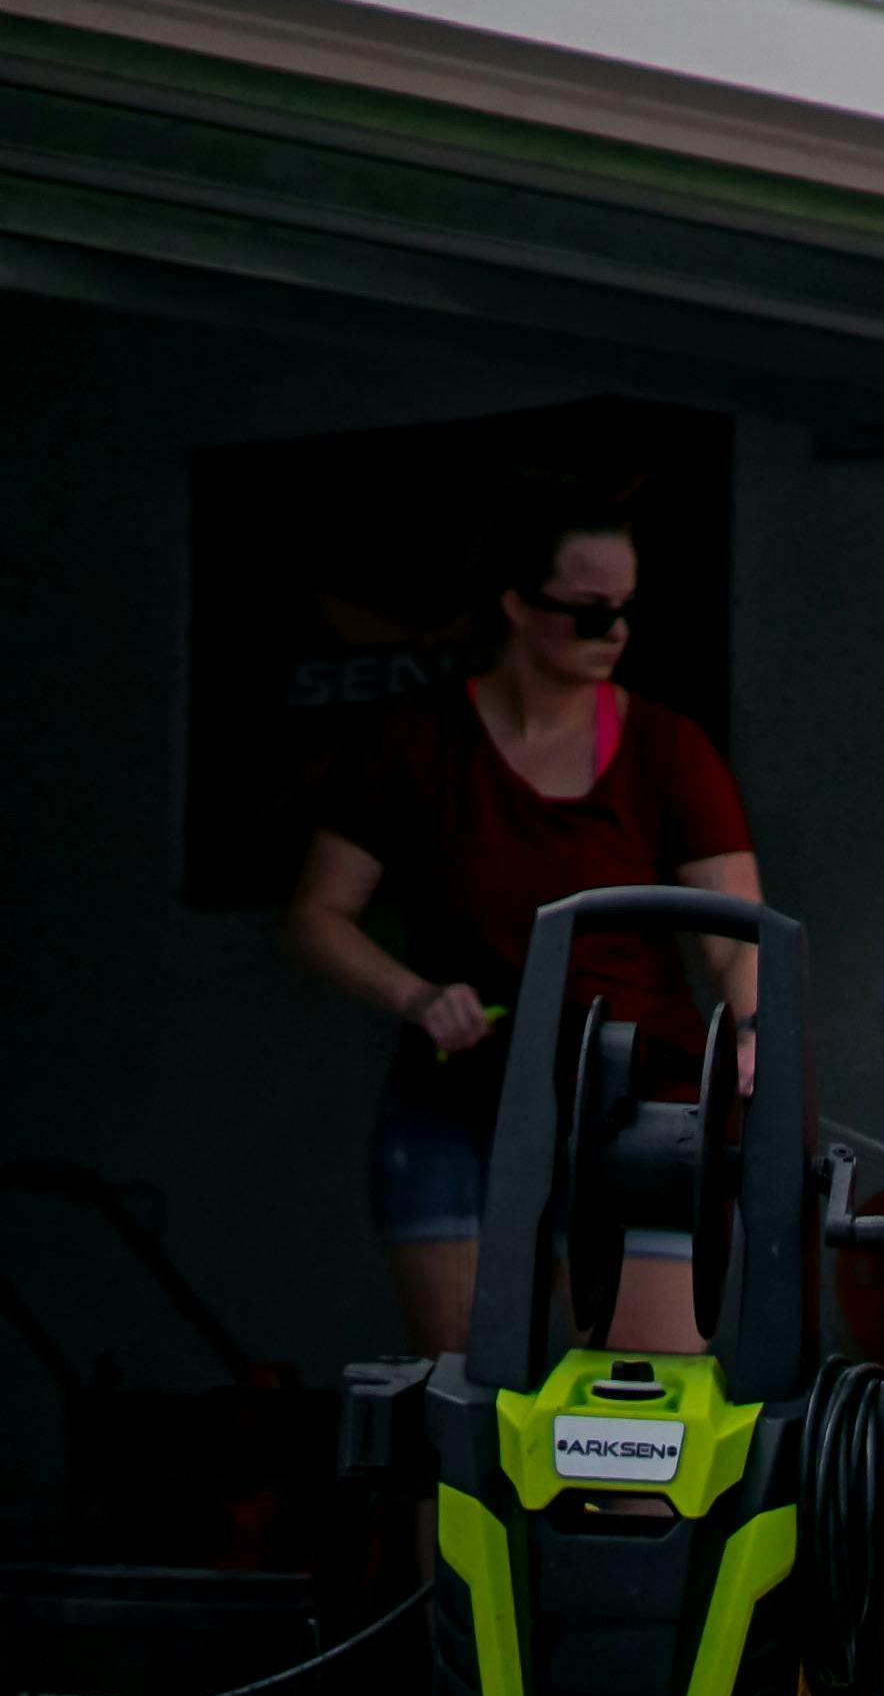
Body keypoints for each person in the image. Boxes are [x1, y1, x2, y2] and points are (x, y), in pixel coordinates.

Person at [279, 495, 759, 1357]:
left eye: (628, 609)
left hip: (644, 1107)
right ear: (516, 605)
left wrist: (754, 1029)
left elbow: (733, 931)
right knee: (458, 1404)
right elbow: (318, 914)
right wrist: (416, 995)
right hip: (460, 1107)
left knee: (635, 1408)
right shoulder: (414, 741)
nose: (614, 630)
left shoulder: (668, 747)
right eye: (589, 610)